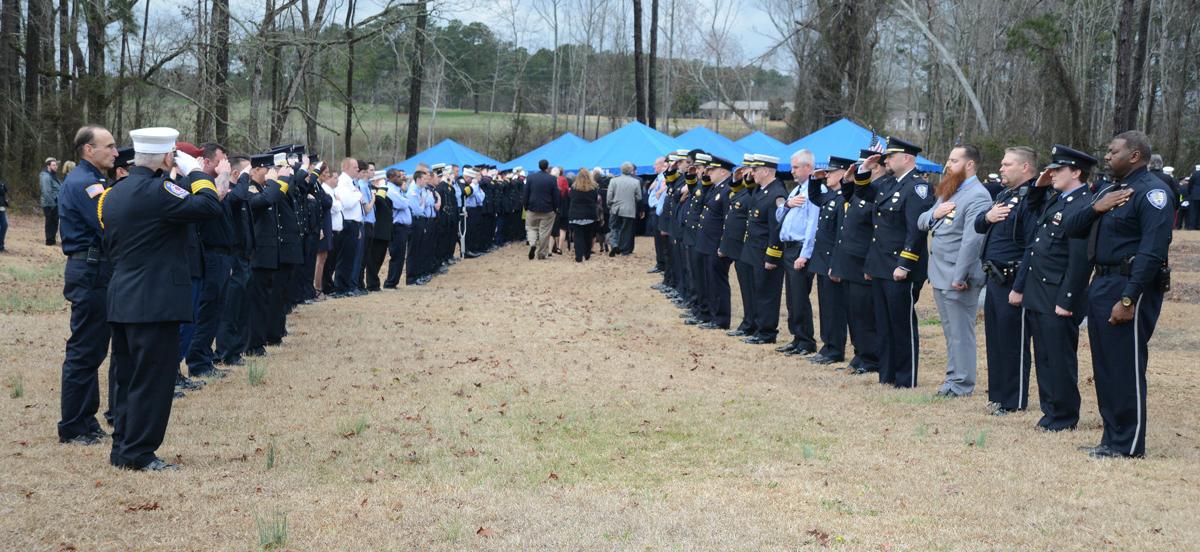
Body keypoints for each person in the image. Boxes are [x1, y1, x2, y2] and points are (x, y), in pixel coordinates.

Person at [100, 126, 226, 471]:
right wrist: (198, 172)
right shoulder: (159, 190)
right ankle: (139, 452)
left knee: (127, 378)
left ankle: (123, 447)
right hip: (154, 301)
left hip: (123, 296)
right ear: (168, 158)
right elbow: (209, 207)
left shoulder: (114, 192)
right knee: (153, 381)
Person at [1063, 130, 1173, 459]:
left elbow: (1153, 253)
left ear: (1135, 155)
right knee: (1106, 365)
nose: (1108, 156)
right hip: (1102, 281)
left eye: (1113, 152)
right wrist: (1097, 207)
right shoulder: (1112, 190)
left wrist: (1128, 299)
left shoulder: (1153, 193)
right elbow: (1072, 226)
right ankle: (1112, 438)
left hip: (1129, 284)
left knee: (1125, 364)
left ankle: (1128, 443)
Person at [1010, 145, 1094, 432]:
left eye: (1059, 170)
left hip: (1058, 293)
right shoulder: (1057, 199)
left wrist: (1068, 299)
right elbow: (1032, 227)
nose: (1052, 173)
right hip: (1039, 291)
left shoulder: (1084, 204)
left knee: (1059, 358)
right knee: (1044, 356)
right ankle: (1050, 411)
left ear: (1076, 172)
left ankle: (1064, 415)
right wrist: (1038, 186)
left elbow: (1079, 260)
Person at [855, 137, 936, 388]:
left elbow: (916, 232)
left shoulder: (917, 188)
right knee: (884, 324)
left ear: (907, 158)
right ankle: (887, 375)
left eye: (891, 156)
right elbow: (862, 192)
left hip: (901, 269)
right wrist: (863, 170)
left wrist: (905, 265)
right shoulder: (889, 183)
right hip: (881, 266)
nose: (886, 160)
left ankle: (905, 378)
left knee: (901, 325)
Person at [55, 125, 118, 445]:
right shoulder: (84, 183)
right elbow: (107, 221)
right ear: (88, 150)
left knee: (93, 349)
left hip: (96, 268)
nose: (115, 151)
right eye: (109, 146)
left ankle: (86, 418)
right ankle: (73, 425)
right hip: (90, 269)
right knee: (84, 350)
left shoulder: (94, 180)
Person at [917, 144, 991, 397]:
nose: (948, 165)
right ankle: (952, 379)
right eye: (948, 159)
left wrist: (960, 276)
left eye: (954, 160)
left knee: (961, 333)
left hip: (959, 276)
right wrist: (935, 213)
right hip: (940, 271)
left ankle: (962, 384)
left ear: (970, 164)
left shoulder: (978, 195)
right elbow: (923, 220)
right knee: (950, 332)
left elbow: (972, 240)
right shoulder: (950, 190)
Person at [975, 146, 1038, 414]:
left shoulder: (1033, 198)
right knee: (996, 340)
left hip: (1013, 278)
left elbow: (1031, 248)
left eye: (1007, 164)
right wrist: (987, 217)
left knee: (1014, 343)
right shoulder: (1004, 194)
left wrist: (1020, 286)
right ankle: (998, 395)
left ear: (1025, 167)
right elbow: (979, 224)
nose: (1001, 168)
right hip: (994, 277)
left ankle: (1014, 401)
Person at [182, 142, 235, 379]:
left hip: (222, 253)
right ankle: (198, 360)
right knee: (207, 309)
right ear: (205, 162)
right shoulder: (198, 184)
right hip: (209, 253)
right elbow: (218, 196)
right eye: (219, 161)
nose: (223, 165)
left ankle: (204, 356)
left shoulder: (207, 184)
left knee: (216, 309)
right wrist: (224, 174)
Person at [829, 150, 883, 374]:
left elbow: (876, 232)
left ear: (876, 167)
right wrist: (847, 178)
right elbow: (849, 194)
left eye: (865, 166)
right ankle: (860, 353)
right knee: (853, 312)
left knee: (864, 312)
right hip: (850, 261)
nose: (860, 170)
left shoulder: (881, 191)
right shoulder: (863, 192)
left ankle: (871, 357)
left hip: (864, 261)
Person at [806, 156, 854, 365]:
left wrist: (836, 264)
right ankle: (827, 346)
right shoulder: (831, 196)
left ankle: (835, 349)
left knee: (835, 308)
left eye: (831, 172)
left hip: (832, 262)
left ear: (843, 174)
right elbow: (814, 197)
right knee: (826, 306)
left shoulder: (844, 198)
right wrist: (814, 179)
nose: (827, 175)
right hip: (822, 260)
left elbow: (840, 237)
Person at [775, 150, 819, 356]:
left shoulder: (814, 190)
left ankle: (806, 341)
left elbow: (812, 225)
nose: (791, 171)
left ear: (808, 168)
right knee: (792, 297)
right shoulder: (796, 191)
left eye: (795, 167)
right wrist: (786, 204)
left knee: (800, 296)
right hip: (789, 247)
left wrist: (805, 254)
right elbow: (778, 216)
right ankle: (797, 337)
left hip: (800, 248)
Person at [741, 154, 788, 345]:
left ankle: (767, 332)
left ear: (766, 171)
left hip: (765, 252)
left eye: (755, 170)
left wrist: (772, 255)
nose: (752, 173)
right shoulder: (761, 190)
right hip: (753, 250)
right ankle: (756, 326)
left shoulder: (777, 193)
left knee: (767, 293)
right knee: (755, 291)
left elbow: (777, 228)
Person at [214, 157, 256, 366]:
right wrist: (246, 175)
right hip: (233, 256)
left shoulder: (240, 192)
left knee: (240, 306)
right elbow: (235, 197)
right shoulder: (228, 193)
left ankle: (237, 349)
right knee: (230, 308)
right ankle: (226, 351)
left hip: (244, 256)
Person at [694, 154, 736, 330]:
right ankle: (711, 315)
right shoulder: (714, 188)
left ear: (723, 171)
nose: (708, 173)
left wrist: (723, 245)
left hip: (716, 244)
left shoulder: (728, 190)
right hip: (707, 242)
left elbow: (729, 220)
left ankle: (720, 319)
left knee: (717, 282)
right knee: (709, 281)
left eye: (712, 170)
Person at [721, 162, 758, 338]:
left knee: (752, 288)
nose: (746, 172)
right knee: (745, 287)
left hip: (748, 246)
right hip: (739, 247)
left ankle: (752, 323)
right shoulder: (744, 189)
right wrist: (736, 180)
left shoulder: (755, 191)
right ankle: (748, 321)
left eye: (750, 169)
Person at [332, 158, 364, 295]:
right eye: (355, 167)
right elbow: (347, 203)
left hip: (354, 223)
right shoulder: (343, 183)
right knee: (345, 257)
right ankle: (341, 287)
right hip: (348, 223)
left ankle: (347, 286)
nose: (358, 169)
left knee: (351, 257)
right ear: (346, 167)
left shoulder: (351, 182)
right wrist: (358, 195)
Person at [383, 169, 414, 288]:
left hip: (403, 227)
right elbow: (403, 204)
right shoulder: (390, 190)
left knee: (401, 256)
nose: (401, 178)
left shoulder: (397, 190)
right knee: (397, 256)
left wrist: (405, 200)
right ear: (390, 177)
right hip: (397, 227)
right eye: (398, 176)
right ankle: (390, 282)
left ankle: (394, 281)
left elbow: (406, 202)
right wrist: (405, 201)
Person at [524, 159, 559, 260]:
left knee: (531, 228)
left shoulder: (530, 178)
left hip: (532, 208)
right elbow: (555, 195)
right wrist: (555, 208)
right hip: (547, 209)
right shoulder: (552, 179)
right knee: (545, 231)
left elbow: (526, 193)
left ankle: (532, 244)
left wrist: (525, 206)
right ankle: (541, 253)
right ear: (547, 167)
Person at [364, 170, 393, 291]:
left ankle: (374, 282)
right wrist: (381, 188)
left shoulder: (383, 193)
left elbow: (389, 204)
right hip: (377, 231)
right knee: (373, 259)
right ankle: (372, 283)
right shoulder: (374, 191)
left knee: (379, 258)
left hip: (384, 231)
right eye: (383, 180)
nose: (385, 183)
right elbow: (379, 202)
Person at [607, 161, 644, 256]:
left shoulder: (613, 181)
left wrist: (610, 205)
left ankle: (614, 244)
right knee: (626, 230)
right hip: (629, 209)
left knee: (614, 228)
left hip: (615, 208)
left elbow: (609, 196)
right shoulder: (636, 182)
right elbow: (639, 197)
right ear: (631, 171)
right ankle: (624, 250)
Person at [567, 168, 602, 262]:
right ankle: (587, 253)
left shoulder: (573, 188)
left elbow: (570, 198)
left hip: (575, 214)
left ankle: (578, 256)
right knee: (588, 235)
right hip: (589, 214)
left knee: (578, 235)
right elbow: (596, 200)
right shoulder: (593, 188)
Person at [41, 157, 62, 246]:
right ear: (48, 166)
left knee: (54, 221)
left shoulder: (53, 175)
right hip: (49, 203)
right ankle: (49, 240)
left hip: (55, 202)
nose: (56, 166)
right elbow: (46, 192)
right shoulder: (46, 176)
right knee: (50, 222)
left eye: (56, 165)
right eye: (53, 165)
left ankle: (52, 239)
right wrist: (52, 204)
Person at [0, 176, 8, 253]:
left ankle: (1, 246)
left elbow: (5, 190)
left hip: (1, 207)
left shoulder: (1, 183)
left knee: (4, 225)